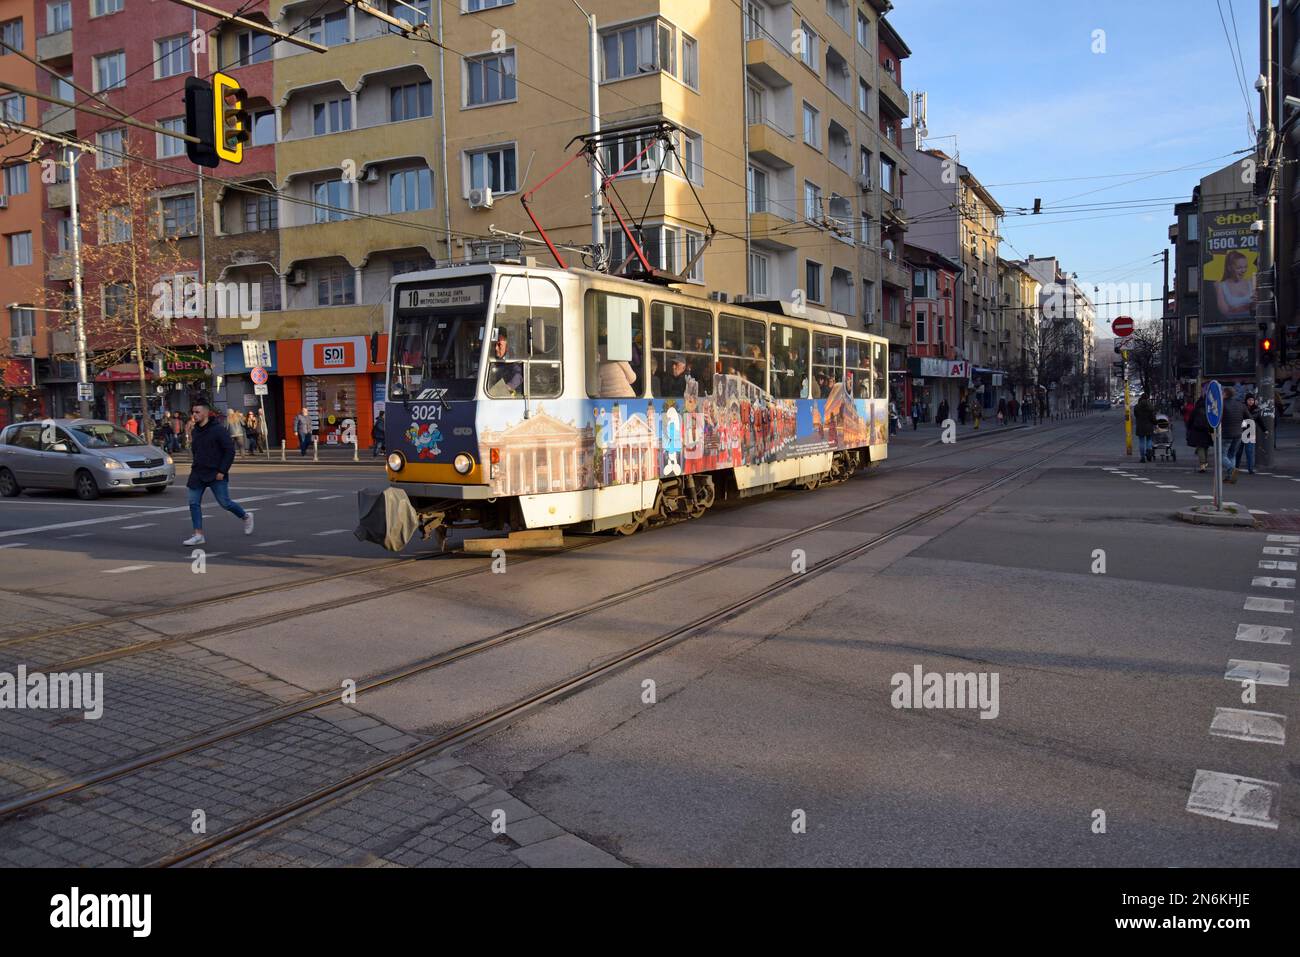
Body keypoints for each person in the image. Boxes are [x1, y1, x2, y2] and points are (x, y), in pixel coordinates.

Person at [183, 398, 253, 546]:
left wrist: (222, 470)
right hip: (198, 472)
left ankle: (245, 517)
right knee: (193, 502)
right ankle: (198, 534)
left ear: (206, 413)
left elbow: (229, 451)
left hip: (216, 473)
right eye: (193, 412)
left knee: (225, 503)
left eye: (197, 412)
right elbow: (196, 451)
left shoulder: (218, 430)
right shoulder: (195, 430)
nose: (194, 415)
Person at [485, 330, 524, 398]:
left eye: (499, 345)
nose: (496, 348)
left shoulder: (513, 363)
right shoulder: (489, 361)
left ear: (507, 347)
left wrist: (509, 386)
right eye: (495, 345)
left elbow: (518, 376)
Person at [1221, 386, 1245, 483]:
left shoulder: (1222, 404)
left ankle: (1232, 469)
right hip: (1238, 433)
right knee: (1232, 455)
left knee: (1221, 455)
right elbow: (1249, 417)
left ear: (1226, 394)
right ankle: (1230, 477)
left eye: (1222, 393)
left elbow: (1218, 418)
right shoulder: (1240, 404)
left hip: (1226, 433)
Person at [1186, 391, 1213, 472]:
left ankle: (1202, 465)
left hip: (1197, 431)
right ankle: (1205, 462)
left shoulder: (1196, 409)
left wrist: (1189, 429)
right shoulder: (1209, 409)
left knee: (1200, 447)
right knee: (1206, 447)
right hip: (1207, 431)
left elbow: (1190, 420)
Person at [1238, 393, 1263, 474]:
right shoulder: (1242, 408)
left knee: (1250, 452)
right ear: (1246, 400)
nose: (1251, 401)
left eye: (1252, 400)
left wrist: (1265, 430)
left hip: (1251, 433)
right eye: (1249, 400)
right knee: (1238, 452)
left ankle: (1250, 469)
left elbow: (1259, 421)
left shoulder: (1257, 409)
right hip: (1241, 432)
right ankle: (1235, 467)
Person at [1133, 394, 1156, 462]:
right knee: (1149, 440)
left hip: (1140, 426)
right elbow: (1152, 417)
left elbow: (1136, 415)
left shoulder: (1137, 407)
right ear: (1147, 399)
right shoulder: (1150, 406)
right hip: (1149, 426)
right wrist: (1155, 422)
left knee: (1141, 441)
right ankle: (1148, 453)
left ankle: (1142, 457)